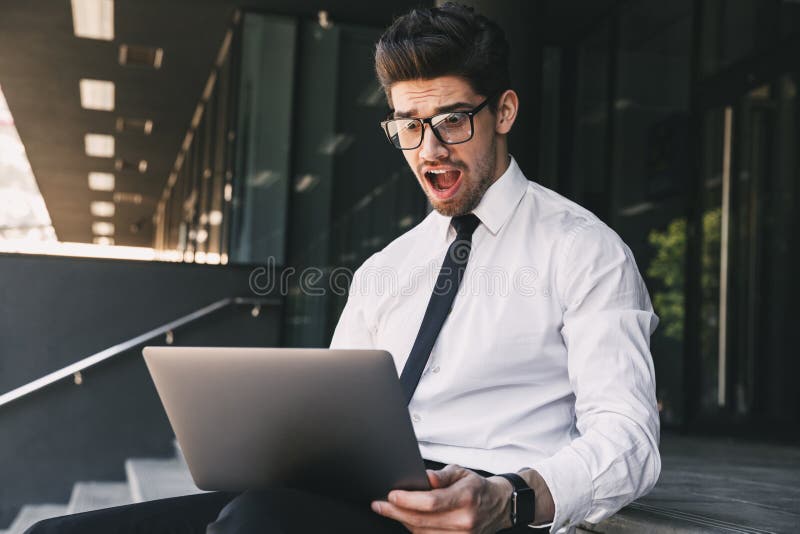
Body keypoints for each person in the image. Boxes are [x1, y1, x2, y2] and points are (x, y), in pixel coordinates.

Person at [27, 3, 659, 534]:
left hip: (482, 510)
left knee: (256, 523)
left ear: (505, 112)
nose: (429, 150)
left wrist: (511, 497)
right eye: (409, 127)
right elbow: (326, 422)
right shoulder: (387, 267)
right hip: (355, 498)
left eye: (452, 121)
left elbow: (629, 440)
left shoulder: (585, 250)